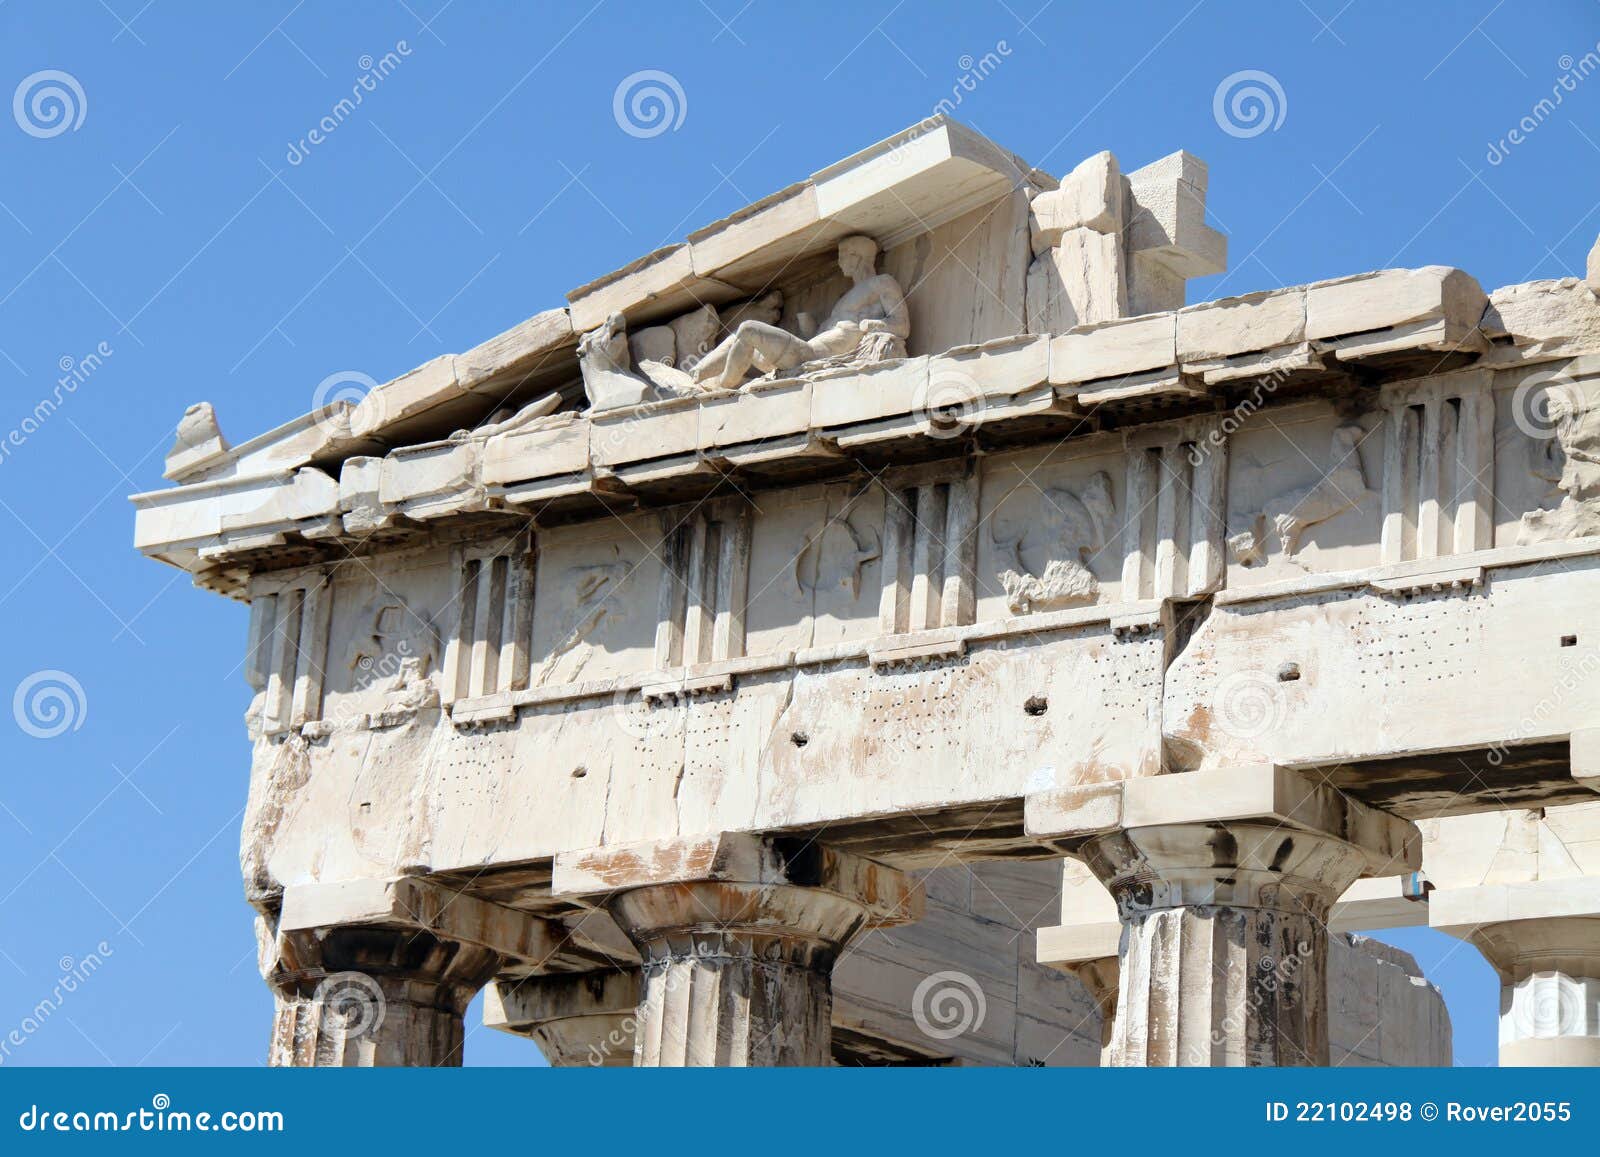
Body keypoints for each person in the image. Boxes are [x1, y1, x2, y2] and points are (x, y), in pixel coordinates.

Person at [693, 234, 910, 391]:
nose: (839, 261)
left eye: (843, 255)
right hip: (802, 352)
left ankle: (723, 388)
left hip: (805, 357)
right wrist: (810, 326)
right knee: (738, 336)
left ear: (858, 257)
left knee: (749, 329)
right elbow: (821, 340)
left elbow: (902, 326)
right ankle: (696, 377)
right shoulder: (845, 299)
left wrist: (873, 326)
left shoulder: (882, 283)